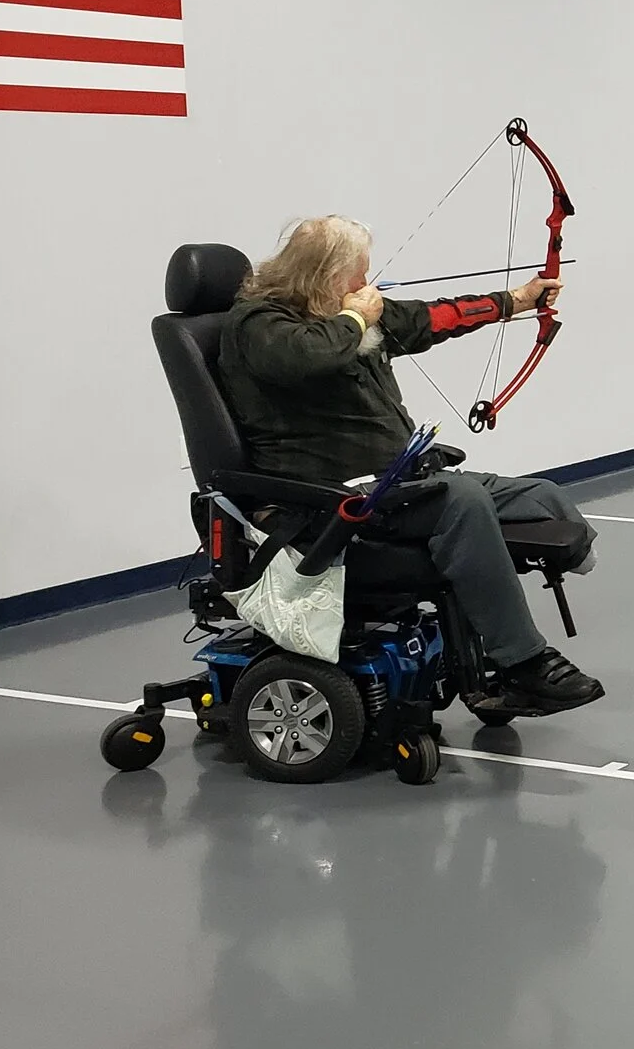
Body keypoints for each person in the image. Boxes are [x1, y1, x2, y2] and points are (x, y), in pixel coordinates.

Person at [217, 216, 604, 714]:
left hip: (397, 483)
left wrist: (517, 301)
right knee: (462, 502)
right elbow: (307, 358)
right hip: (329, 502)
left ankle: (501, 625)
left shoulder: (342, 312)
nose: (365, 285)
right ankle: (523, 663)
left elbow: (432, 318)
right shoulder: (259, 325)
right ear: (326, 276)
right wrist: (356, 318)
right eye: (357, 274)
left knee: (540, 496)